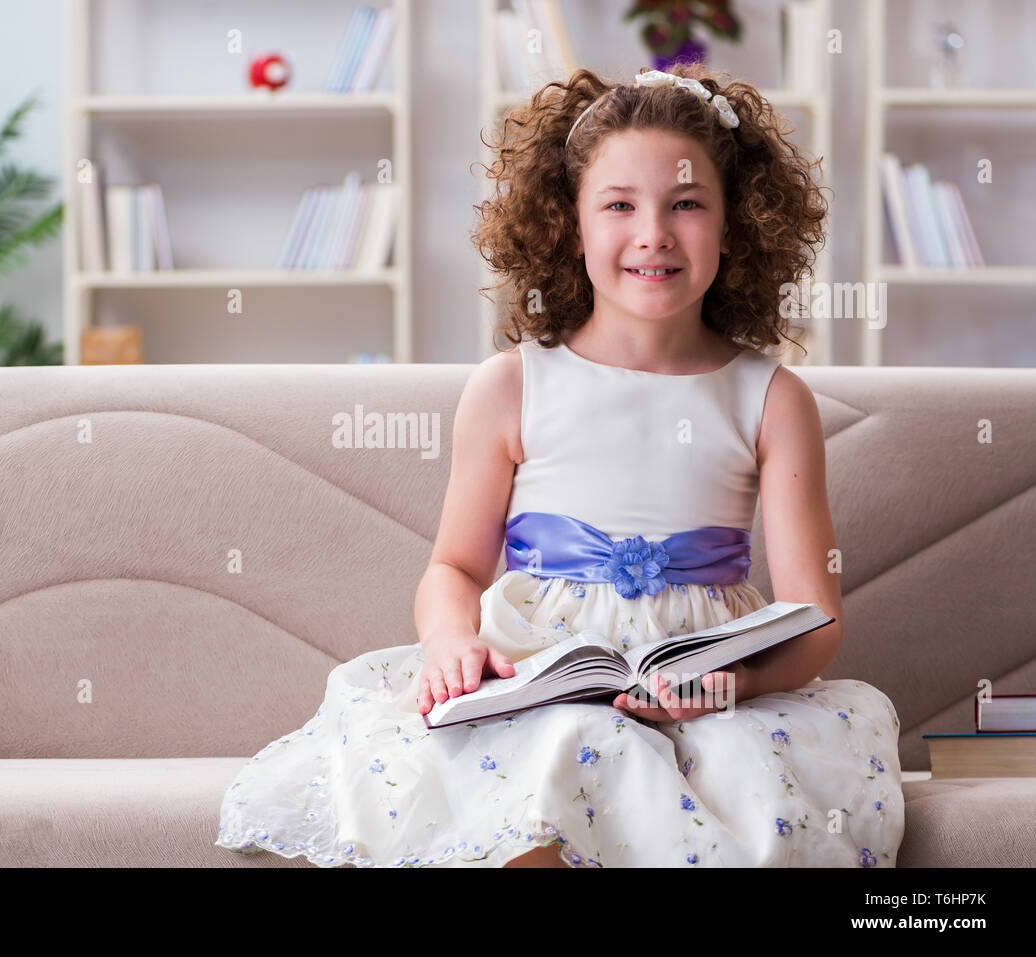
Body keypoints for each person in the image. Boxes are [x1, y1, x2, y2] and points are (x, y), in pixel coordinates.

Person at [215, 63, 905, 868]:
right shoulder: (512, 385)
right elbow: (452, 566)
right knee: (534, 791)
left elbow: (813, 613)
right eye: (619, 205)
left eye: (686, 203)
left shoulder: (771, 398)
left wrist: (737, 683)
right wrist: (450, 645)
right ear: (571, 226)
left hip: (702, 697)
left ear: (734, 225)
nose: (653, 232)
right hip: (540, 676)